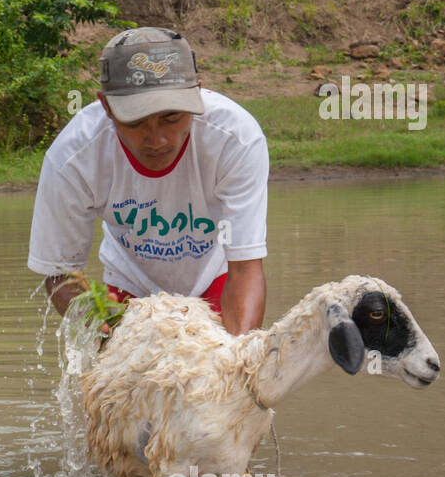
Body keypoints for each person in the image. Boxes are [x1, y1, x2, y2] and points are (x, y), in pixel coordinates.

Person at [29, 27, 268, 335]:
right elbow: (59, 274)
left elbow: (246, 268)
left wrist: (238, 360)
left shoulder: (236, 139)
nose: (157, 139)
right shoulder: (73, 158)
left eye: (172, 118)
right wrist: (106, 336)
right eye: (136, 121)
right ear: (106, 107)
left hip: (217, 281)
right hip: (128, 285)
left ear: (197, 92)